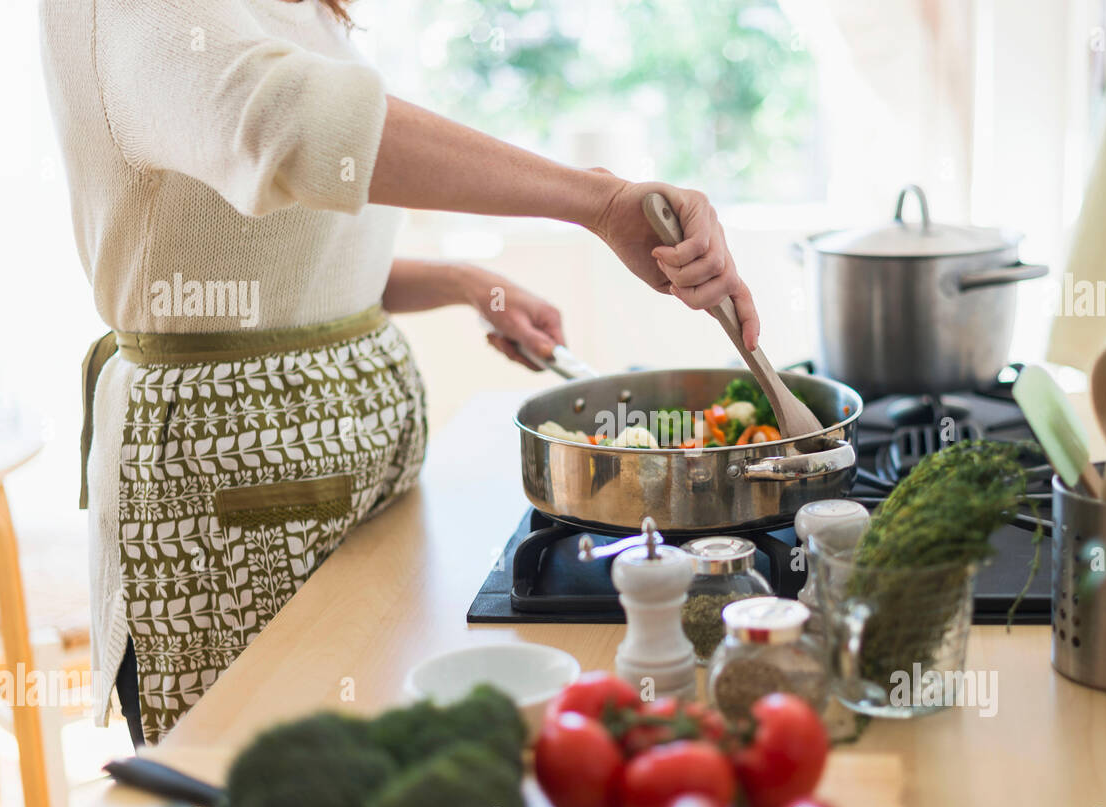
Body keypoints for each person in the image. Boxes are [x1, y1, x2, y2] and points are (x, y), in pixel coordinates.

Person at [40, 0, 761, 745]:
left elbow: (286, 267)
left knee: (374, 774)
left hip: (361, 474)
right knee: (249, 784)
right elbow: (290, 124)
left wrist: (461, 281)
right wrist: (598, 200)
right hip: (230, 500)